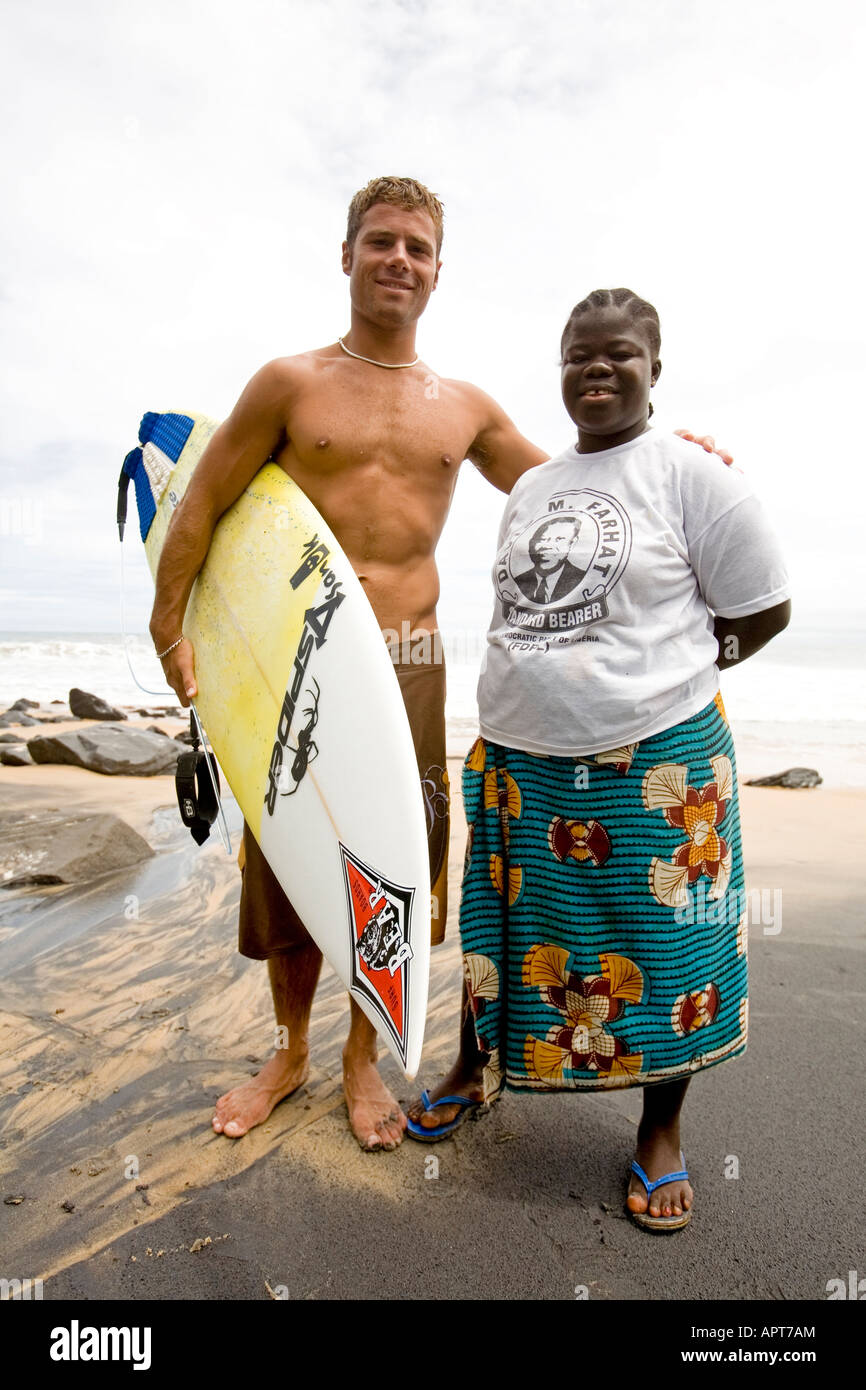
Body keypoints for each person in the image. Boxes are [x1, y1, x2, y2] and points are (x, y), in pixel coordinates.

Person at [150, 180, 728, 1154]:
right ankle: (287, 1050)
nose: (398, 261)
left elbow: (578, 481)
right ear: (346, 256)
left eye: (417, 247)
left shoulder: (461, 408)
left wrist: (678, 456)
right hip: (294, 662)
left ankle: (356, 1062)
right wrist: (171, 626)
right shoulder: (287, 383)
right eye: (380, 242)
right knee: (286, 871)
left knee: (390, 861)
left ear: (437, 271)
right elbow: (203, 505)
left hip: (406, 666)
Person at [407, 287, 791, 1233]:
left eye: (619, 353)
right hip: (518, 761)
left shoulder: (696, 476)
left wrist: (673, 675)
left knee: (667, 950)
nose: (597, 368)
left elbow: (764, 607)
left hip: (654, 763)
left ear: (654, 367)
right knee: (499, 925)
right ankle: (475, 1068)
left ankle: (659, 1135)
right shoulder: (535, 487)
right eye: (580, 354)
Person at [514, 517, 586, 603]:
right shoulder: (517, 581)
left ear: (572, 544)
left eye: (558, 540)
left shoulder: (582, 579)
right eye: (542, 539)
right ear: (531, 544)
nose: (547, 546)